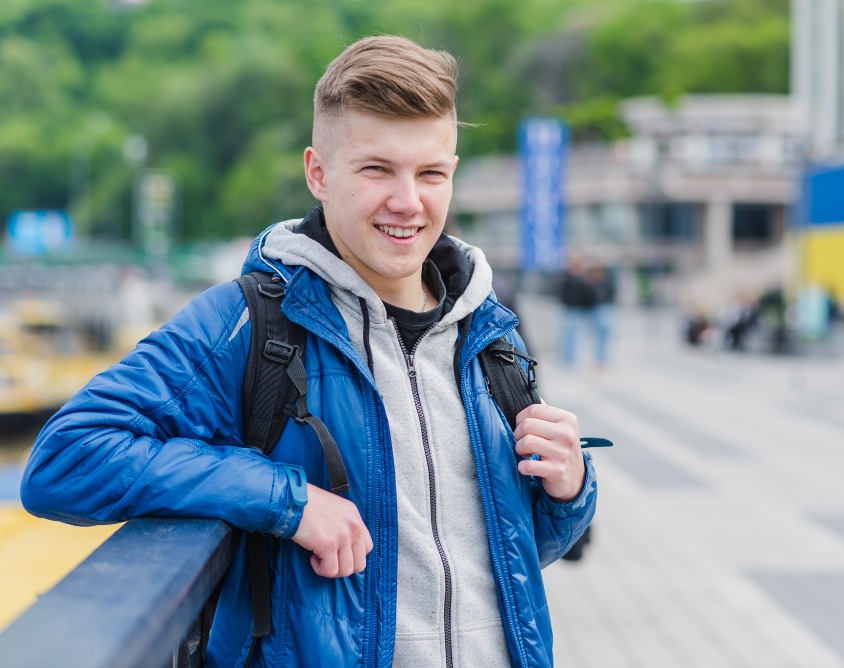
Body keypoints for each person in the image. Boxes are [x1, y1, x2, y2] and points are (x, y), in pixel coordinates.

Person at [20, 35, 597, 667]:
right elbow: (65, 459)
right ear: (317, 173)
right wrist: (285, 501)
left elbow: (508, 552)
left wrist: (570, 491)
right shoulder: (245, 323)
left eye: (431, 173)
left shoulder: (489, 331)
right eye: (377, 169)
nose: (409, 201)